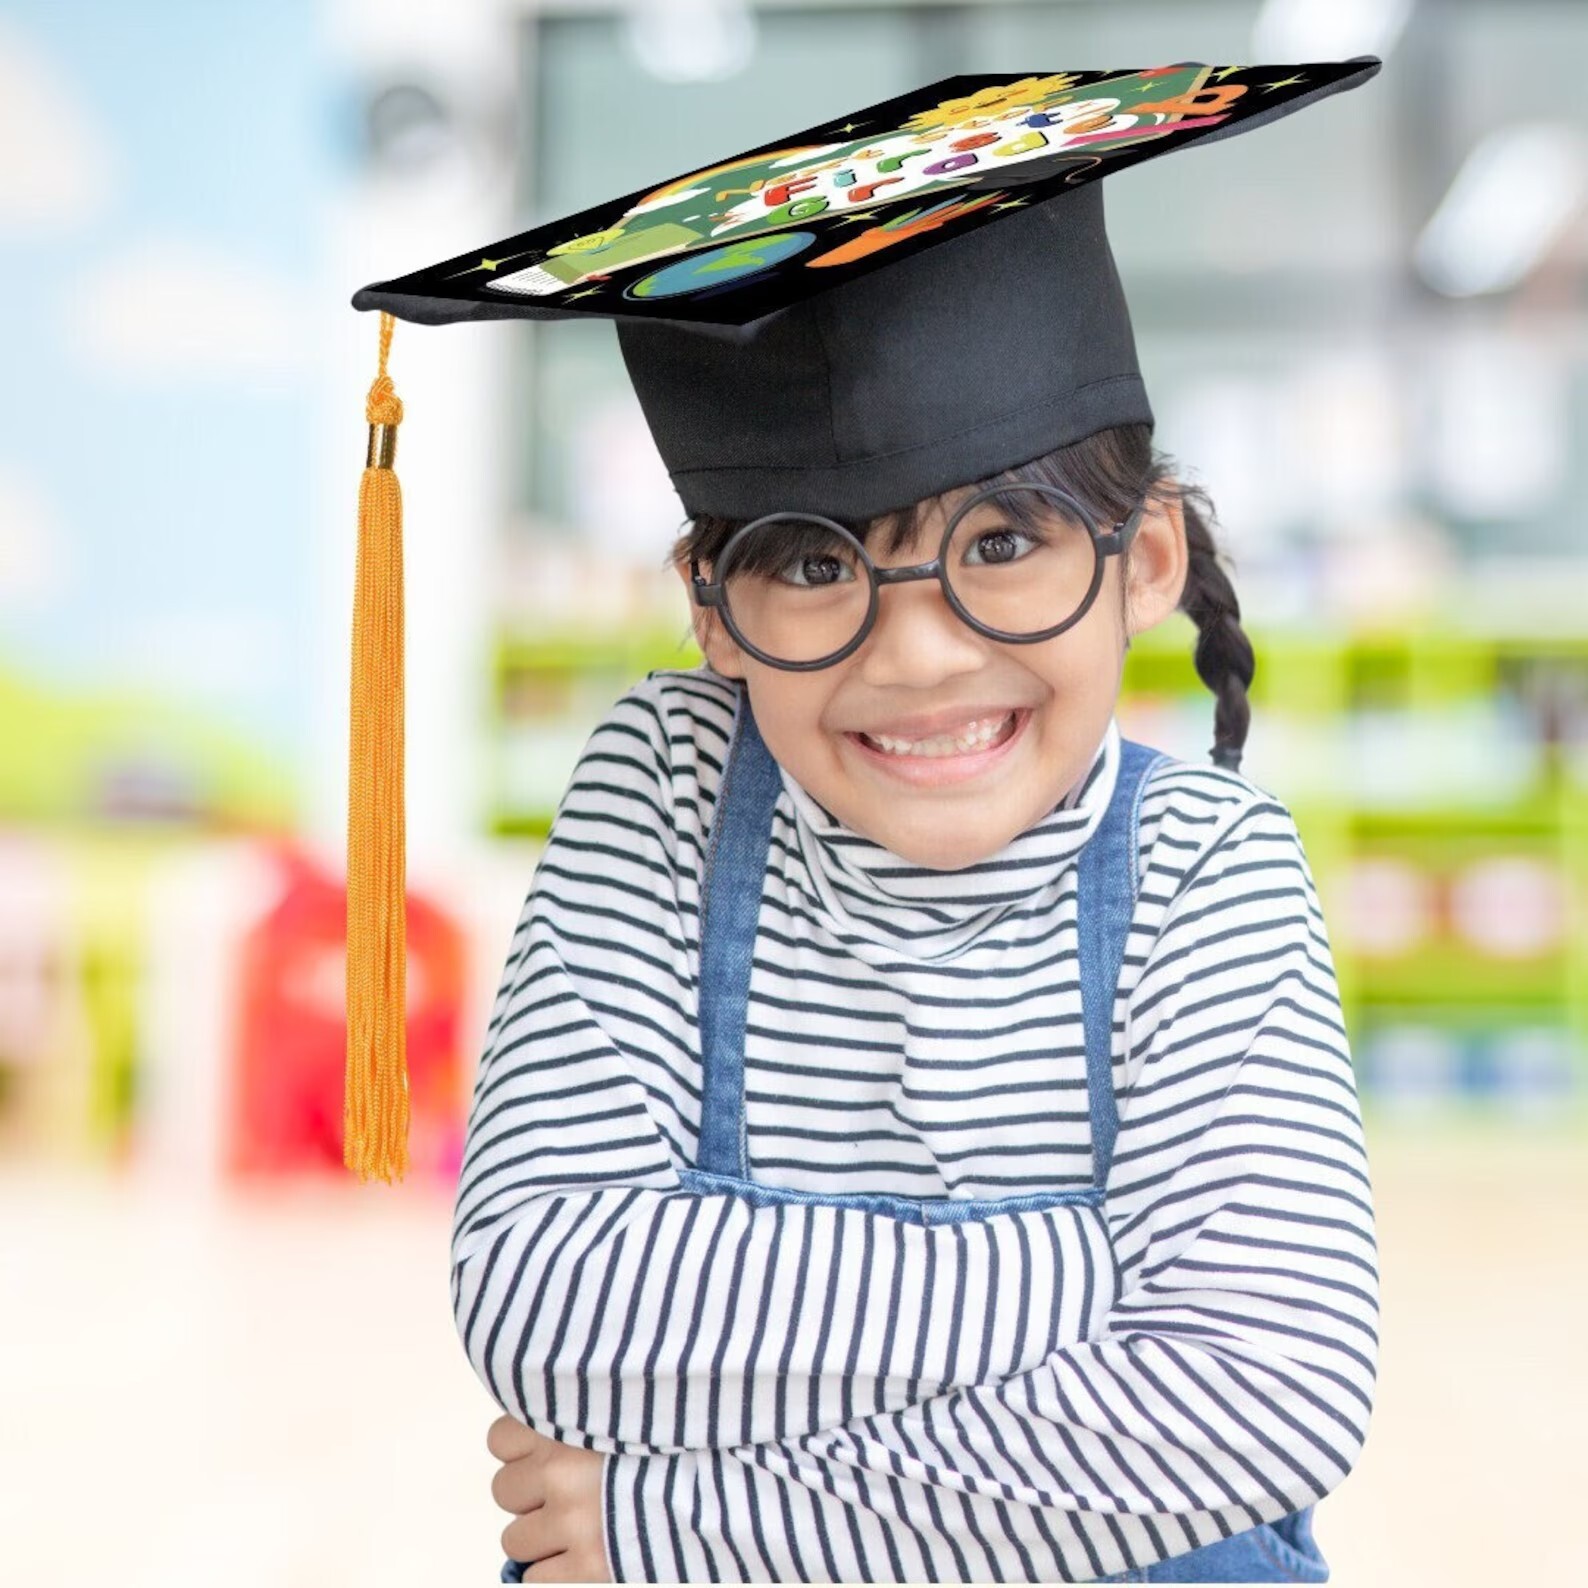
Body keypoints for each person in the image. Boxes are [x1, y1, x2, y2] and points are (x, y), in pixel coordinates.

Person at [347, 63, 1383, 1581]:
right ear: (712, 610)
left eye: (1004, 541)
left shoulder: (1207, 869)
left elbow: (1268, 1391)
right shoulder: (669, 793)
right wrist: (1087, 1276)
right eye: (816, 568)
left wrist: (687, 1517)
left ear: (1145, 556)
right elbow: (538, 1296)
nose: (916, 655)